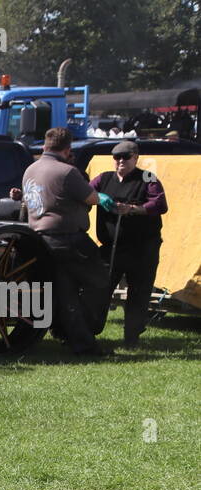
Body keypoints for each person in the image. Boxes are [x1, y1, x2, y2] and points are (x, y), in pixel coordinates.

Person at [21, 127, 113, 358]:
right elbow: (90, 197)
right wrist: (101, 197)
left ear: (45, 145)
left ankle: (80, 342)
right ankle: (87, 328)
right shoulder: (67, 172)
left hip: (39, 240)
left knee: (66, 294)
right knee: (101, 281)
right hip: (69, 239)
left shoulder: (30, 170)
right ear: (67, 149)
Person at [90, 140, 168, 347]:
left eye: (125, 156)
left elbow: (159, 203)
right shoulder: (104, 178)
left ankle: (132, 337)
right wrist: (98, 196)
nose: (120, 161)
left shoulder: (147, 176)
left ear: (136, 157)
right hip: (111, 246)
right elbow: (84, 192)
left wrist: (133, 209)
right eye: (116, 157)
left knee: (139, 292)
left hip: (143, 247)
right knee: (100, 289)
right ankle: (91, 330)